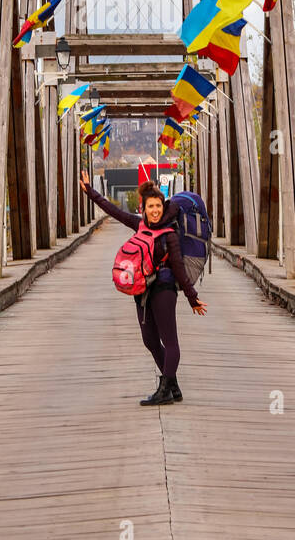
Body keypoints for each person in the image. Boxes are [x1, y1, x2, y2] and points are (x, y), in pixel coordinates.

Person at [79, 170, 207, 405]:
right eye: (151, 207)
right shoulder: (139, 225)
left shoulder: (170, 234)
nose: (155, 211)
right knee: (149, 340)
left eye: (158, 206)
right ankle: (174, 386)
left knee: (170, 341)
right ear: (144, 208)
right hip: (142, 290)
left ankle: (165, 388)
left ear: (163, 206)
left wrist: (192, 297)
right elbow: (113, 211)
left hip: (165, 288)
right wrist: (90, 192)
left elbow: (179, 268)